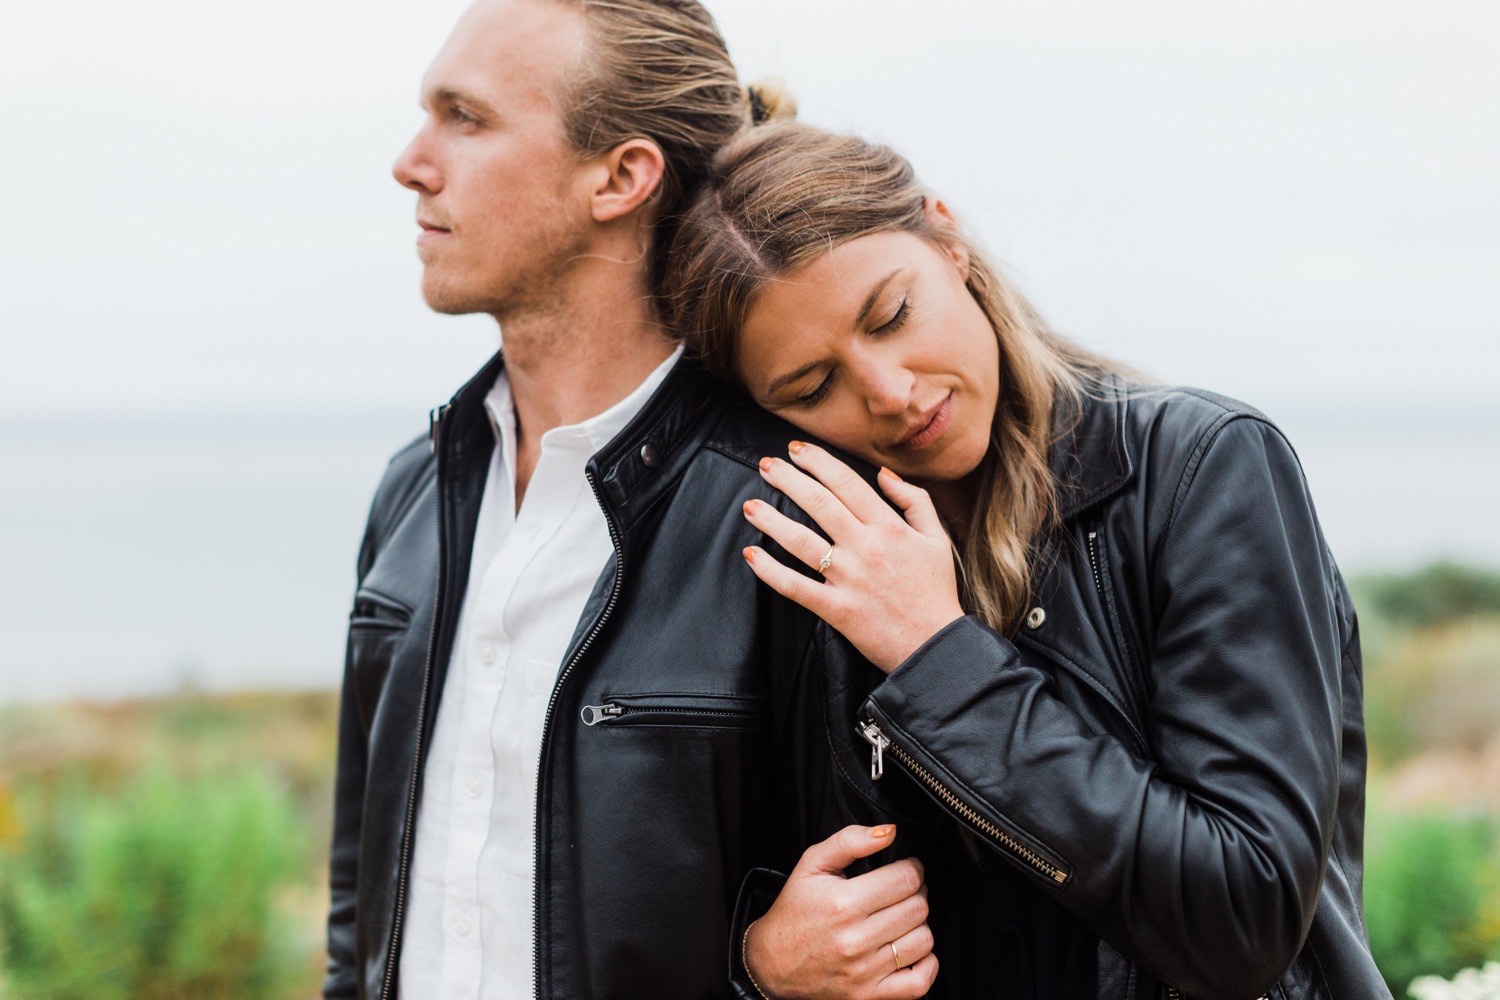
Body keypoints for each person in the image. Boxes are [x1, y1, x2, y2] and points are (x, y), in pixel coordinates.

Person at [664, 121, 1392, 999]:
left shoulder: (1201, 467)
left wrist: (937, 654)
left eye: (892, 314)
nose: (892, 392)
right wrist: (761, 970)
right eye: (813, 388)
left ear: (947, 238)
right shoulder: (796, 568)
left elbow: (1245, 915)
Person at [323, 4, 938, 999]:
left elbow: (874, 944)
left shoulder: (794, 517)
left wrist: (753, 980)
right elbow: (359, 911)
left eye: (465, 119)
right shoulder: (415, 490)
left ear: (621, 176)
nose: (411, 161)